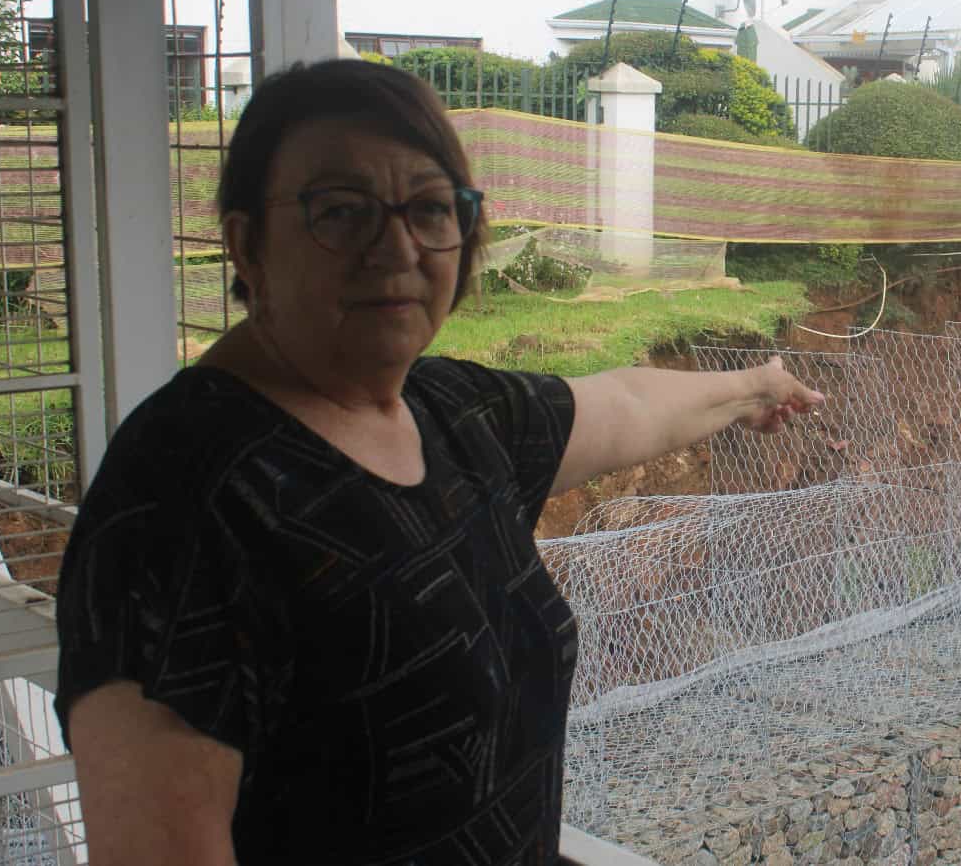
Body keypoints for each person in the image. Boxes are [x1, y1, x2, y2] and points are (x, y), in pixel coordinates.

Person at [53, 58, 822, 866]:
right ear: (248, 245)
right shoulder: (178, 503)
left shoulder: (447, 413)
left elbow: (624, 405)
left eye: (429, 208)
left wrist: (753, 388)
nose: (397, 248)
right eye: (341, 212)